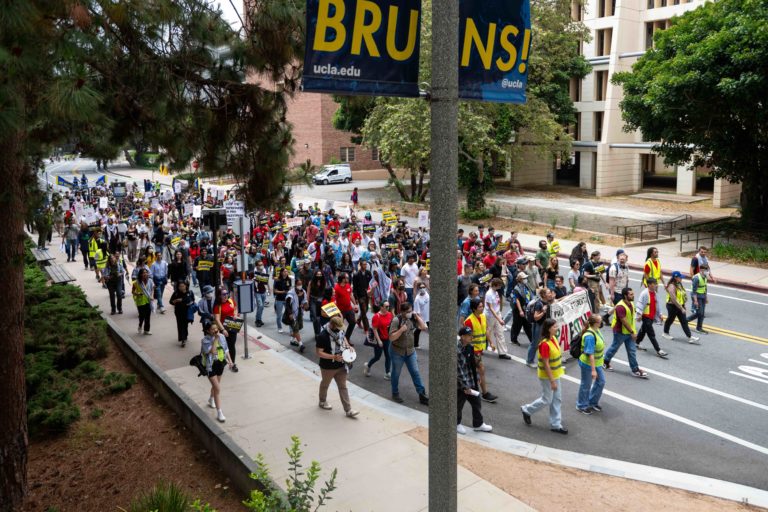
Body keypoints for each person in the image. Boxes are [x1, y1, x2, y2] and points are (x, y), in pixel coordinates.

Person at [521, 318, 568, 434]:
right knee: (547, 399)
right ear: (548, 329)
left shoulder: (553, 339)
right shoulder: (545, 344)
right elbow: (546, 364)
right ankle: (527, 409)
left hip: (555, 374)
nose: (557, 328)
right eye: (555, 327)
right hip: (548, 376)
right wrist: (552, 381)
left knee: (557, 399)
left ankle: (556, 424)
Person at [316, 316, 359, 418]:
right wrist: (334, 357)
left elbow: (343, 338)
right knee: (325, 384)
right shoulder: (323, 336)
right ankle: (322, 401)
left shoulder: (340, 332)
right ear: (332, 325)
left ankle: (348, 410)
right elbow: (319, 353)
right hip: (328, 367)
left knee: (343, 387)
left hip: (341, 365)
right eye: (338, 327)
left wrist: (348, 346)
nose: (340, 330)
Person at [602, 287, 649, 378]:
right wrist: (632, 332)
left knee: (631, 351)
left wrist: (638, 316)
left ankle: (635, 369)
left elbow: (631, 317)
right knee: (614, 348)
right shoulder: (620, 307)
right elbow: (624, 321)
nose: (633, 295)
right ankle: (605, 362)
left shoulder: (631, 303)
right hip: (620, 332)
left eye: (633, 293)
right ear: (625, 296)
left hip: (629, 332)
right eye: (631, 294)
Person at [388, 302, 429, 405]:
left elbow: (424, 327)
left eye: (411, 311)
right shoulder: (396, 320)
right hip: (397, 352)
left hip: (410, 351)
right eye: (408, 312)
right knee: (396, 373)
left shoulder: (412, 318)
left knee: (415, 372)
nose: (409, 313)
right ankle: (395, 393)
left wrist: (417, 316)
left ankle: (422, 394)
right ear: (402, 312)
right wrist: (401, 330)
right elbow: (391, 337)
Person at [456, 326, 493, 434]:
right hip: (461, 384)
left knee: (476, 402)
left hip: (470, 381)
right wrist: (465, 386)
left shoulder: (469, 347)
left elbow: (472, 364)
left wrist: (476, 377)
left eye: (471, 335)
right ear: (462, 337)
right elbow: (459, 370)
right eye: (469, 335)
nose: (471, 337)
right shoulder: (456, 350)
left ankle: (478, 424)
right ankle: (456, 423)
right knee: (459, 404)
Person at [463, 298, 498, 403]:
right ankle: (484, 393)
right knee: (480, 369)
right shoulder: (469, 321)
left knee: (474, 371)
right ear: (474, 309)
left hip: (479, 350)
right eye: (480, 307)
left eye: (482, 306)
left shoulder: (483, 317)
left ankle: (473, 390)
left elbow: (486, 330)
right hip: (472, 351)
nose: (482, 308)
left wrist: (491, 342)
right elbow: (466, 338)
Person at [201, 322, 234, 423]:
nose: (216, 330)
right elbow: (212, 351)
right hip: (210, 366)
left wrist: (230, 361)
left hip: (220, 363)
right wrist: (215, 339)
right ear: (207, 331)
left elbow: (226, 349)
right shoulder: (205, 340)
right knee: (217, 388)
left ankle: (211, 399)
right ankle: (219, 412)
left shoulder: (222, 337)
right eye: (213, 329)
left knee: (216, 386)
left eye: (216, 328)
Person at [576, 315, 606, 415]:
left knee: (601, 382)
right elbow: (590, 354)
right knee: (586, 384)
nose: (602, 322)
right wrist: (593, 370)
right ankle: (581, 405)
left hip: (597, 363)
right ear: (596, 323)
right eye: (600, 321)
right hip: (588, 364)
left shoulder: (596, 330)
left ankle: (592, 402)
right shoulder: (589, 336)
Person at [635, 278, 668, 358]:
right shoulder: (644, 293)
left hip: (652, 316)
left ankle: (636, 343)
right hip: (646, 316)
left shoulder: (654, 293)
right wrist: (639, 314)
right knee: (651, 334)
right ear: (649, 284)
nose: (656, 285)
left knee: (643, 330)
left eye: (656, 283)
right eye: (654, 284)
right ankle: (658, 350)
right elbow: (640, 304)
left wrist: (660, 314)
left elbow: (657, 305)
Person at [663, 271, 699, 343]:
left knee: (684, 321)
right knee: (670, 320)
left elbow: (681, 296)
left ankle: (690, 337)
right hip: (672, 306)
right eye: (680, 277)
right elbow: (673, 299)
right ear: (676, 278)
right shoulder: (672, 286)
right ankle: (665, 333)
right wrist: (681, 308)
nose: (681, 278)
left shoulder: (679, 284)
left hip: (680, 306)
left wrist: (683, 305)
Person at [213, 286, 240, 372]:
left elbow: (235, 308)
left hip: (232, 327)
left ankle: (232, 363)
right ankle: (224, 362)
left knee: (232, 346)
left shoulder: (231, 301)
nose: (226, 295)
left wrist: (235, 315)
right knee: (223, 347)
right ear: (219, 296)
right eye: (223, 294)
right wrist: (223, 330)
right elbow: (217, 319)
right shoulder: (218, 306)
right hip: (224, 329)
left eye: (227, 294)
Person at [484, 278, 511, 360]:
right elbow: (491, 308)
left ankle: (502, 353)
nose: (501, 287)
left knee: (500, 333)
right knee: (487, 332)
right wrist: (499, 319)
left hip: (496, 314)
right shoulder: (489, 294)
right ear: (496, 285)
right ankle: (480, 347)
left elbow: (496, 306)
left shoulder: (495, 292)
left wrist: (499, 315)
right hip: (490, 316)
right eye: (500, 285)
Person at [365, 301, 393, 379]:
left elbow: (390, 326)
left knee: (388, 356)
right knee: (377, 357)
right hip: (379, 340)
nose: (388, 308)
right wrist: (379, 340)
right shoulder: (376, 317)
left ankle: (387, 373)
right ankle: (368, 366)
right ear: (381, 307)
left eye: (388, 306)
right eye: (386, 306)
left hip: (387, 339)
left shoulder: (390, 314)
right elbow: (374, 329)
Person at [528, 288, 554, 368]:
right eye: (549, 293)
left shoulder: (548, 302)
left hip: (545, 325)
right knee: (535, 344)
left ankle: (546, 361)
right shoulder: (539, 304)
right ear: (544, 295)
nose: (551, 294)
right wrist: (543, 312)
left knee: (547, 343)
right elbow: (536, 317)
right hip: (539, 326)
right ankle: (529, 361)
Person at [509, 272, 533, 346]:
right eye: (524, 278)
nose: (526, 279)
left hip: (526, 309)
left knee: (528, 325)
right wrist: (520, 311)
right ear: (520, 279)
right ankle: (514, 340)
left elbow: (530, 295)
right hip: (518, 310)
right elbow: (517, 300)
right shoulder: (516, 288)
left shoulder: (526, 286)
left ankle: (533, 341)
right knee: (517, 325)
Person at [170, 281, 195, 347]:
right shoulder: (176, 293)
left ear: (186, 286)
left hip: (187, 311)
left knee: (185, 324)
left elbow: (193, 301)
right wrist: (176, 301)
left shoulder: (190, 293)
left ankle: (185, 335)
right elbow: (171, 302)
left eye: (183, 286)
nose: (181, 288)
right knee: (180, 325)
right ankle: (182, 339)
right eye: (180, 286)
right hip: (178, 312)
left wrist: (183, 300)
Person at [285, 279, 307, 353]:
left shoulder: (303, 292)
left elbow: (305, 301)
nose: (300, 286)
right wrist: (290, 313)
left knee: (299, 327)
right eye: (298, 284)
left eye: (301, 284)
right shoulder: (291, 293)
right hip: (292, 313)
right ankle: (301, 345)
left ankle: (292, 339)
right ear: (295, 285)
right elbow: (287, 305)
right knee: (296, 328)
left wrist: (304, 305)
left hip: (300, 313)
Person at [687, 264, 710, 334]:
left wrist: (706, 297)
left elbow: (705, 287)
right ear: (702, 270)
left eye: (708, 270)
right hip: (696, 296)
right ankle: (696, 327)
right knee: (700, 313)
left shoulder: (705, 277)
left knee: (701, 313)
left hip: (702, 296)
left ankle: (687, 321)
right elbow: (694, 291)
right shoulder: (696, 278)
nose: (708, 272)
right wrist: (695, 301)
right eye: (706, 270)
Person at [132, 268, 155, 335]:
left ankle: (146, 330)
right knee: (142, 316)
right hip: (140, 301)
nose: (145, 274)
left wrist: (152, 296)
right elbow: (133, 292)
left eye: (146, 272)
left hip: (148, 300)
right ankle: (140, 325)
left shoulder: (150, 281)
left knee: (148, 316)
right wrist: (138, 294)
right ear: (140, 274)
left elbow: (153, 289)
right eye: (143, 273)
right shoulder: (137, 282)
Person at [273, 267, 291, 333]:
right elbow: (275, 291)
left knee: (289, 314)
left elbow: (289, 288)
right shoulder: (277, 280)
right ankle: (279, 327)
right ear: (281, 272)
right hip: (279, 300)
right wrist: (283, 292)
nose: (286, 272)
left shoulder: (289, 279)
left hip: (287, 300)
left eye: (286, 271)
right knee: (279, 315)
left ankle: (291, 329)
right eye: (284, 271)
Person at [412, 283, 430, 349]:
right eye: (421, 287)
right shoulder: (417, 299)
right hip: (422, 318)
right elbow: (417, 311)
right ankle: (415, 344)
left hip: (429, 316)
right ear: (418, 289)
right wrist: (421, 321)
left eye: (423, 287)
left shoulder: (427, 294)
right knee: (418, 330)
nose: (422, 289)